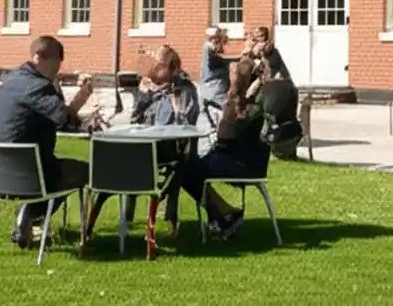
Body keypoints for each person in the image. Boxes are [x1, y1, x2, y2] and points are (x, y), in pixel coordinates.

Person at [0, 36, 94, 249]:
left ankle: (28, 220)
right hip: (28, 174)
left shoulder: (9, 80)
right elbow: (64, 119)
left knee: (55, 169)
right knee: (84, 171)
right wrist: (82, 97)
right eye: (57, 62)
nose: (58, 68)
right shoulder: (38, 86)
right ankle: (32, 213)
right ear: (41, 58)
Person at [84, 45, 198, 238]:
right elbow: (135, 118)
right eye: (156, 81)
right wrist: (146, 96)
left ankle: (170, 215)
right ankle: (124, 215)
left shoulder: (184, 88)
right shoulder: (151, 90)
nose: (158, 86)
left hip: (171, 147)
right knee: (135, 160)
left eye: (162, 82)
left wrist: (172, 100)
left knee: (179, 167)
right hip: (144, 145)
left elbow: (186, 123)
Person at [180, 58, 268, 240]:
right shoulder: (252, 101)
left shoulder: (249, 106)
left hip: (243, 165)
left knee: (185, 169)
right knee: (187, 168)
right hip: (243, 160)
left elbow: (224, 136)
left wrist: (231, 99)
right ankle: (222, 214)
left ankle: (224, 214)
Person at [198, 26, 231, 152]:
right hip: (213, 95)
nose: (216, 40)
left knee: (218, 125)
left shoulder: (213, 50)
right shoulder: (208, 49)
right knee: (215, 125)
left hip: (217, 94)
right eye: (214, 38)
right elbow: (219, 60)